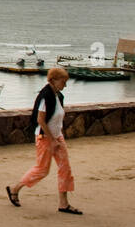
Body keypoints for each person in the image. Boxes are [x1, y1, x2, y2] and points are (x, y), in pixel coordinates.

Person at [7, 66, 82, 214]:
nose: (65, 85)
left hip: (57, 137)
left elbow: (56, 119)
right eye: (63, 81)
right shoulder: (45, 95)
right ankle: (15, 189)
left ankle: (64, 204)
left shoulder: (58, 96)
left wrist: (57, 138)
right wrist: (52, 140)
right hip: (44, 138)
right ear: (53, 80)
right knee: (42, 170)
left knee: (65, 168)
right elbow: (40, 120)